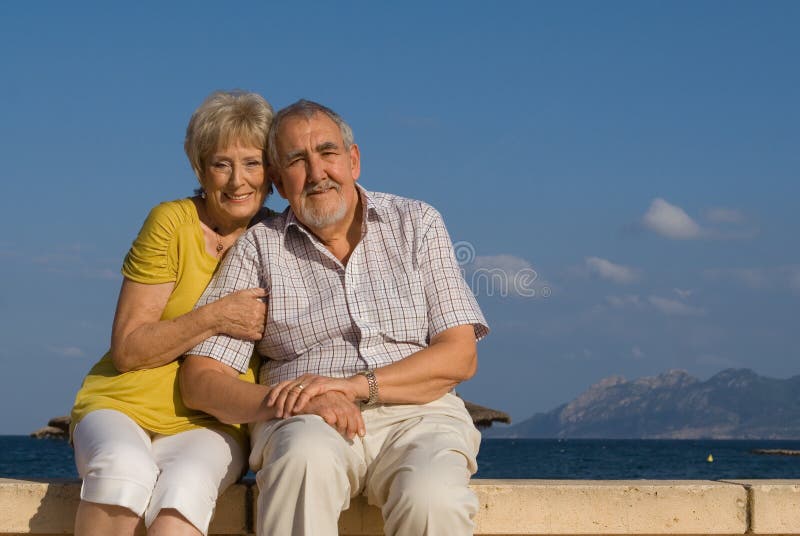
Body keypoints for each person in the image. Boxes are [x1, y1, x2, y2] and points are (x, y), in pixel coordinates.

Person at [180, 99, 489, 536]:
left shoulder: (417, 223)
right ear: (279, 182)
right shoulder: (259, 249)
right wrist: (291, 401)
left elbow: (460, 356)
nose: (317, 172)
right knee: (302, 460)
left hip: (421, 416)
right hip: (306, 419)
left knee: (432, 497)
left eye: (327, 153)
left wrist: (353, 386)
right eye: (296, 161)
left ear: (354, 160)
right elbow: (200, 380)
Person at [70, 90, 274, 536]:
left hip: (216, 418)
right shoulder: (171, 221)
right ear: (201, 170)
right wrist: (216, 316)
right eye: (222, 164)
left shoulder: (281, 238)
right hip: (123, 403)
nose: (238, 180)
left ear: (272, 170)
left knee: (187, 487)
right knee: (122, 470)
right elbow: (127, 350)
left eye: (252, 163)